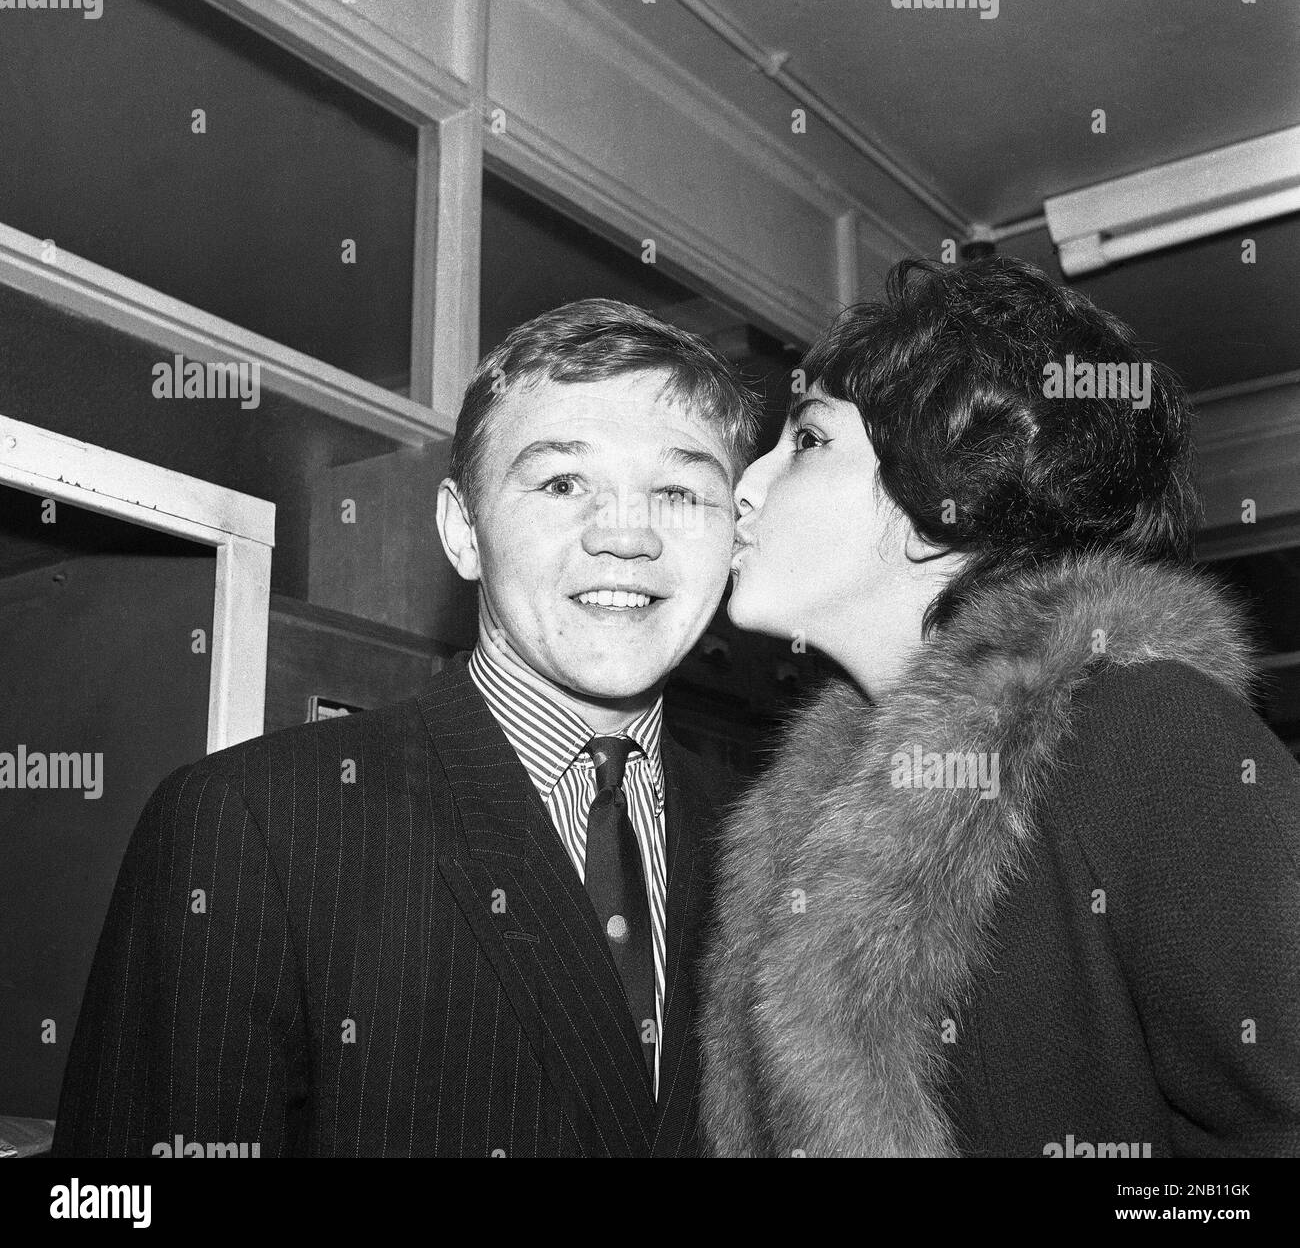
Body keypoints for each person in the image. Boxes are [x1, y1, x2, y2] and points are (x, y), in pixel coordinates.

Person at [54, 298, 758, 1157]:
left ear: (735, 537)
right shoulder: (251, 825)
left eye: (678, 491)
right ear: (463, 531)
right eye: (562, 483)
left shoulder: (777, 839)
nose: (626, 534)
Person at [699, 256, 1300, 1158]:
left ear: (943, 499)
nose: (744, 486)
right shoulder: (809, 808)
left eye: (809, 441)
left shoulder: (1148, 734)